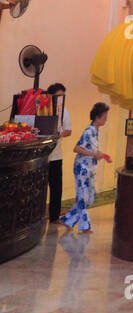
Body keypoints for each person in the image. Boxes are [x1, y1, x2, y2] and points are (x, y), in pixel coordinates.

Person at [60, 103, 110, 233]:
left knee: (90, 198)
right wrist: (95, 154)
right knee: (83, 198)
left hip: (90, 168)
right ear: (97, 118)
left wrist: (102, 155)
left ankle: (67, 219)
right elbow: (76, 148)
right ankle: (85, 227)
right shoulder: (89, 131)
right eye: (104, 117)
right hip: (81, 168)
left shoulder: (96, 131)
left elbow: (91, 149)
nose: (106, 120)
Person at [44, 82, 71, 223]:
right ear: (50, 96)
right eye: (58, 96)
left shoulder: (64, 112)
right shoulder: (43, 108)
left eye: (63, 96)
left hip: (56, 155)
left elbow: (68, 131)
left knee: (56, 188)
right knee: (40, 189)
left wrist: (58, 133)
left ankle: (54, 217)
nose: (61, 99)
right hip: (41, 156)